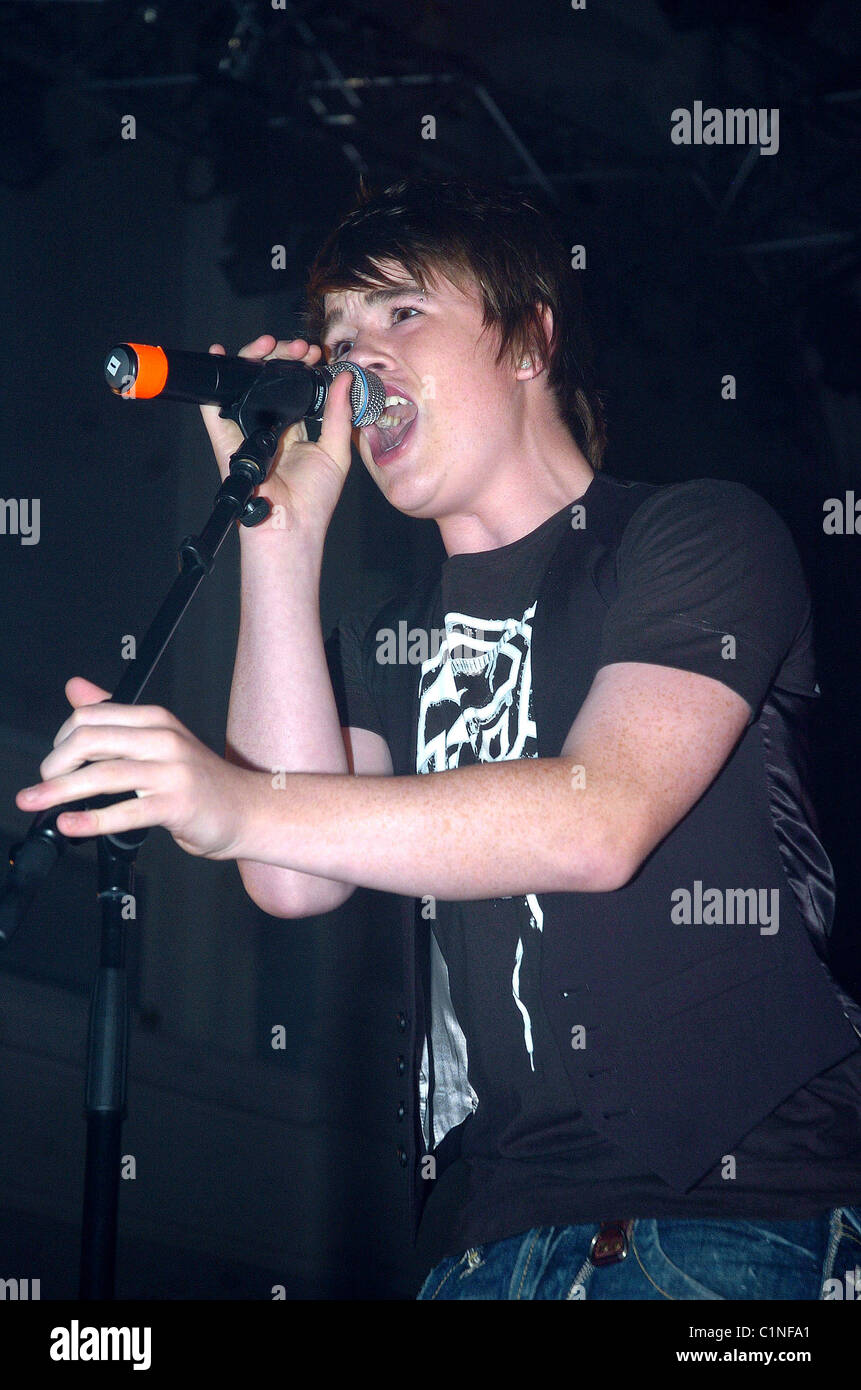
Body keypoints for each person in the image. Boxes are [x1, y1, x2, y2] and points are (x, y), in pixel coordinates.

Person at [17, 175, 861, 1300]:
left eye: (400, 312)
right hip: (483, 1245)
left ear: (527, 338)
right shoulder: (392, 638)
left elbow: (600, 818)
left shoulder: (695, 533)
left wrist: (230, 797)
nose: (353, 357)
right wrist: (285, 527)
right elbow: (286, 873)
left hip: (720, 1223)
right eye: (335, 332)